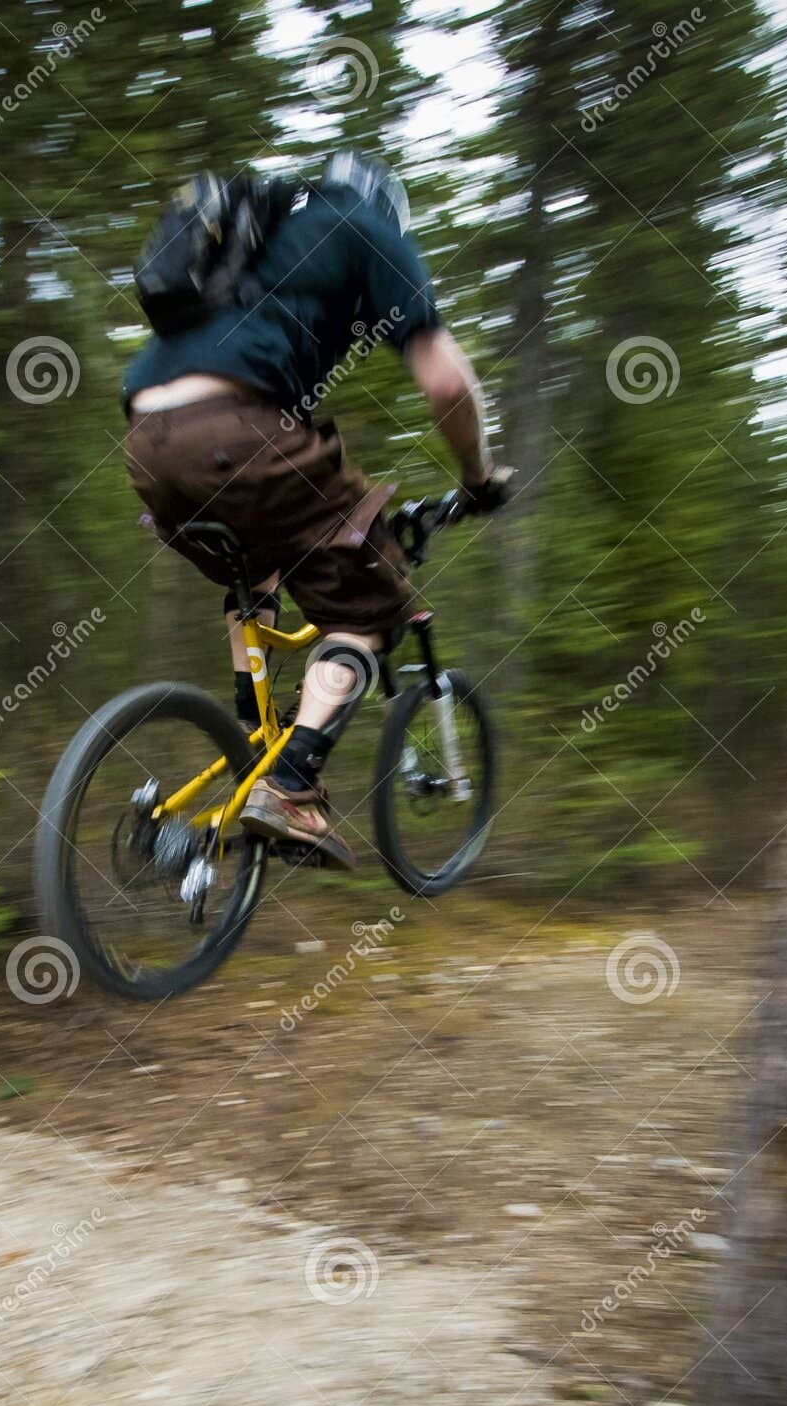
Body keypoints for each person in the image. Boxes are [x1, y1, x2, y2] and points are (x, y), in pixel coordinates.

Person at [123, 151, 510, 869]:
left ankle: (254, 733)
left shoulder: (253, 245)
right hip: (236, 432)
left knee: (258, 569)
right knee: (365, 612)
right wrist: (477, 478)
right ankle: (291, 784)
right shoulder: (366, 224)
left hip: (147, 447)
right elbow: (447, 384)